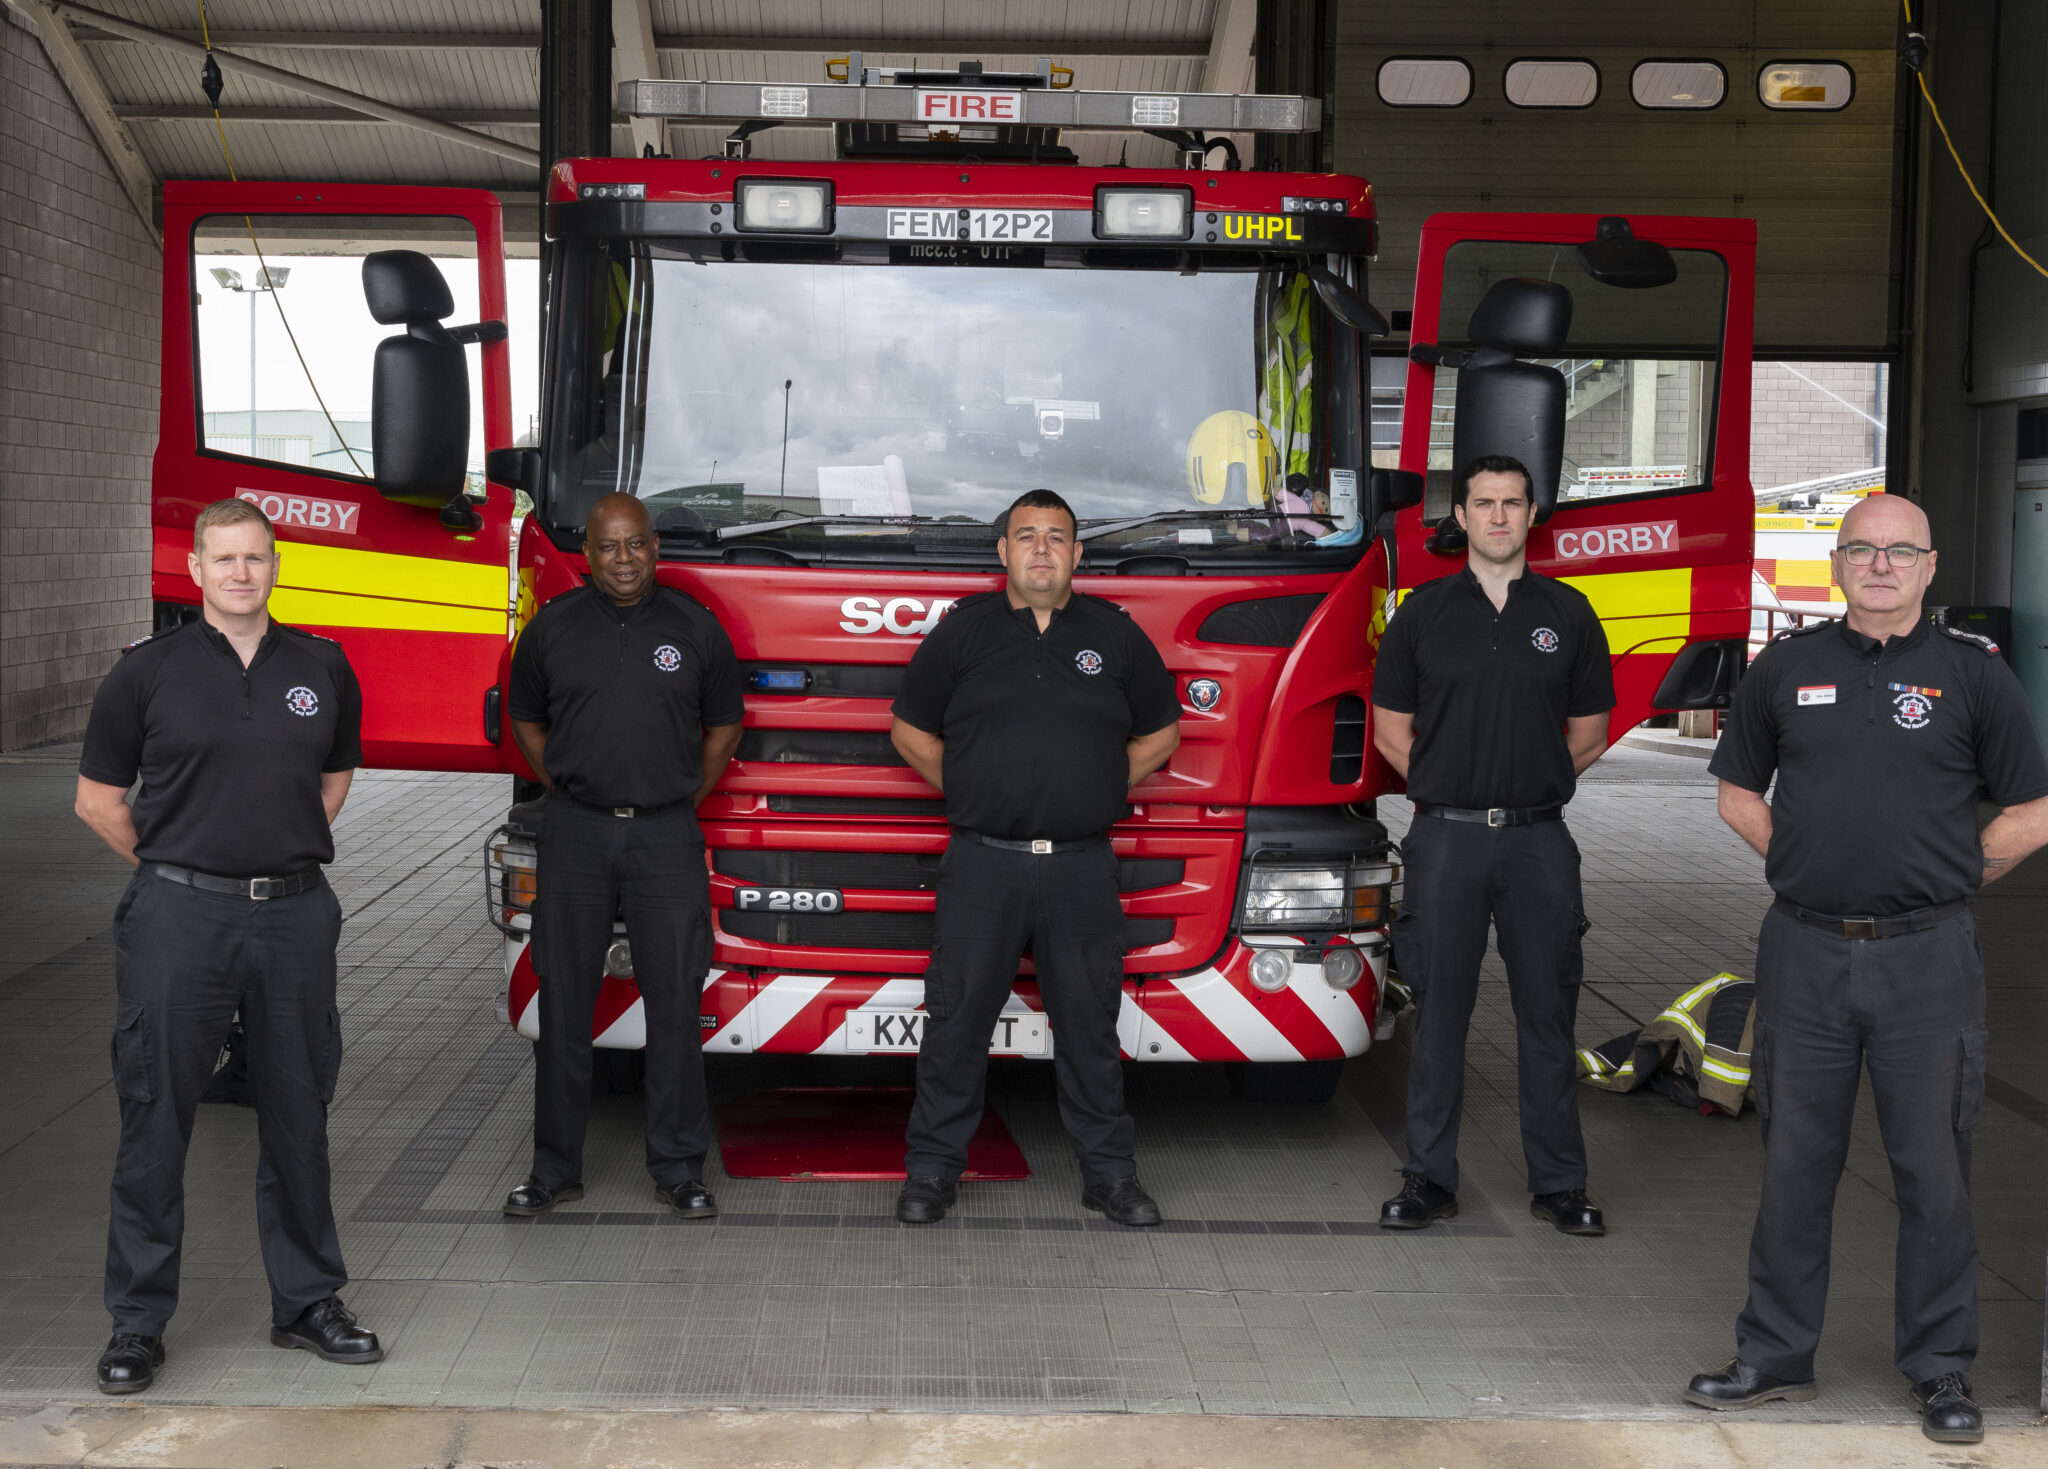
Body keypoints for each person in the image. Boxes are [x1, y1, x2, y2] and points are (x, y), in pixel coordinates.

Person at [1685, 494, 2048, 1444]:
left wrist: (1956, 875)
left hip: (1929, 958)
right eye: (1862, 549)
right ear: (1838, 565)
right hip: (1803, 951)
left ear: (1931, 568)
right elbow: (1735, 791)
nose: (1880, 564)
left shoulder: (1974, 677)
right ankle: (1773, 1352)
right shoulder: (1788, 665)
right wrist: (1798, 861)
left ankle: (1939, 1366)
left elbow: (2032, 808)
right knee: (1795, 1162)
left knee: (1935, 1170)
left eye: (1900, 551)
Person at [75, 498, 379, 1395]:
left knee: (298, 1114)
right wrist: (184, 865)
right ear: (196, 570)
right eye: (224, 559)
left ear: (274, 563)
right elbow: (97, 800)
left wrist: (266, 857)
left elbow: (334, 776)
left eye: (255, 557)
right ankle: (136, 1323)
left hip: (292, 918)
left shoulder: (323, 666)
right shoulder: (147, 673)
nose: (241, 573)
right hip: (179, 921)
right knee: (156, 1115)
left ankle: (308, 1302)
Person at [890, 489, 1181, 1227]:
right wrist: (970, 787)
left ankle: (1110, 1176)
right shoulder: (963, 633)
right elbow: (908, 729)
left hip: (1082, 867)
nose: (1043, 549)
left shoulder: (1115, 636)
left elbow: (1162, 732)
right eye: (1028, 536)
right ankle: (931, 1172)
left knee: (1090, 1027)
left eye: (1058, 537)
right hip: (983, 865)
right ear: (1003, 552)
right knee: (956, 1025)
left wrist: (1105, 785)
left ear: (1079, 554)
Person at [1370, 455, 1615, 1236]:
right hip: (1445, 841)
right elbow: (1390, 732)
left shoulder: (1570, 613)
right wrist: (1453, 788)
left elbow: (1589, 732)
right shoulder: (1422, 615)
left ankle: (1560, 1183)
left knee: (1547, 1013)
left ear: (1532, 513)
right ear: (1464, 516)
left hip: (1540, 843)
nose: (1499, 516)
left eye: (1513, 502)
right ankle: (1428, 1179)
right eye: (1485, 503)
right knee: (1440, 1013)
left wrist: (1527, 784)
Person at [504, 493, 744, 1220]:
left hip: (667, 837)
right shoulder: (552, 630)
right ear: (589, 554)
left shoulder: (695, 629)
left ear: (655, 546)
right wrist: (577, 785)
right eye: (608, 548)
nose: (624, 560)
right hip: (574, 834)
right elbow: (526, 720)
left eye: (635, 544)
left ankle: (677, 1168)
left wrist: (668, 797)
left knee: (675, 1002)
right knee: (565, 1003)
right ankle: (554, 1170)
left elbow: (724, 730)